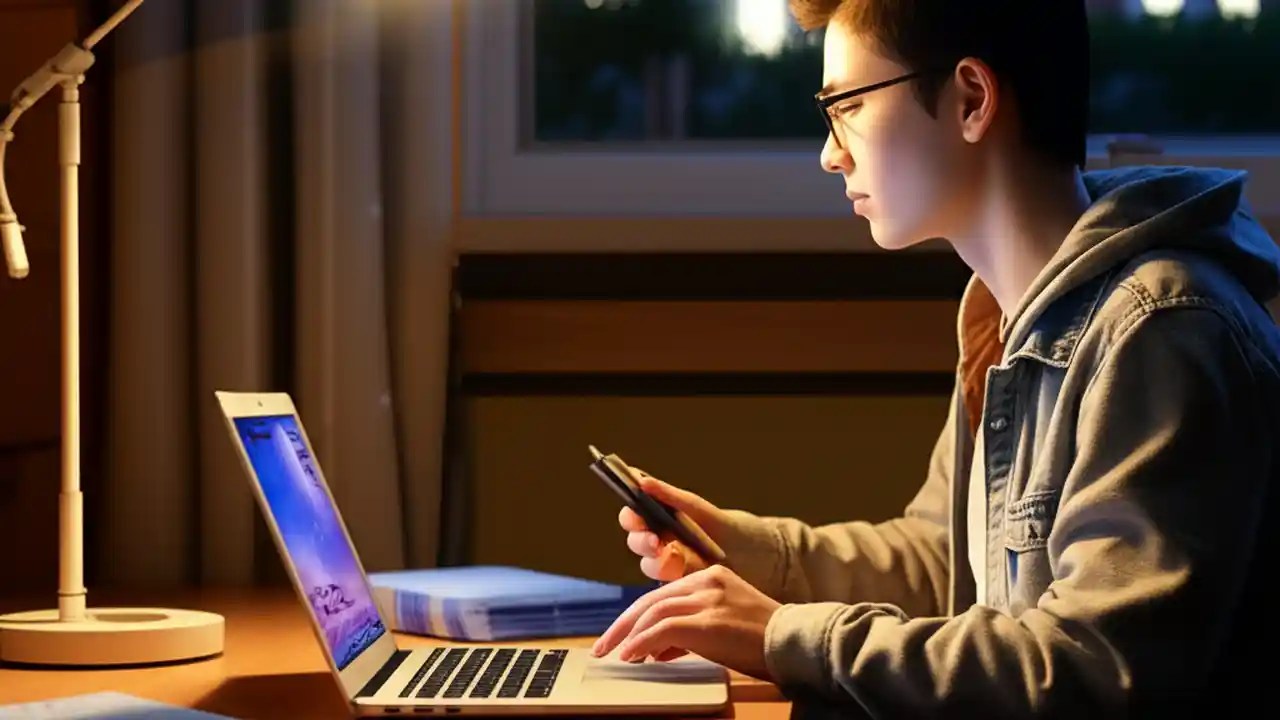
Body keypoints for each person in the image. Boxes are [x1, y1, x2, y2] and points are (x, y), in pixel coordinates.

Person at [589, 0, 1280, 716]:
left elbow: (1093, 668)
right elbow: (946, 562)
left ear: (972, 100)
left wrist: (781, 635)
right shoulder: (1004, 315)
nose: (831, 152)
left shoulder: (1160, 329)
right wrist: (753, 553)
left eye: (846, 105)